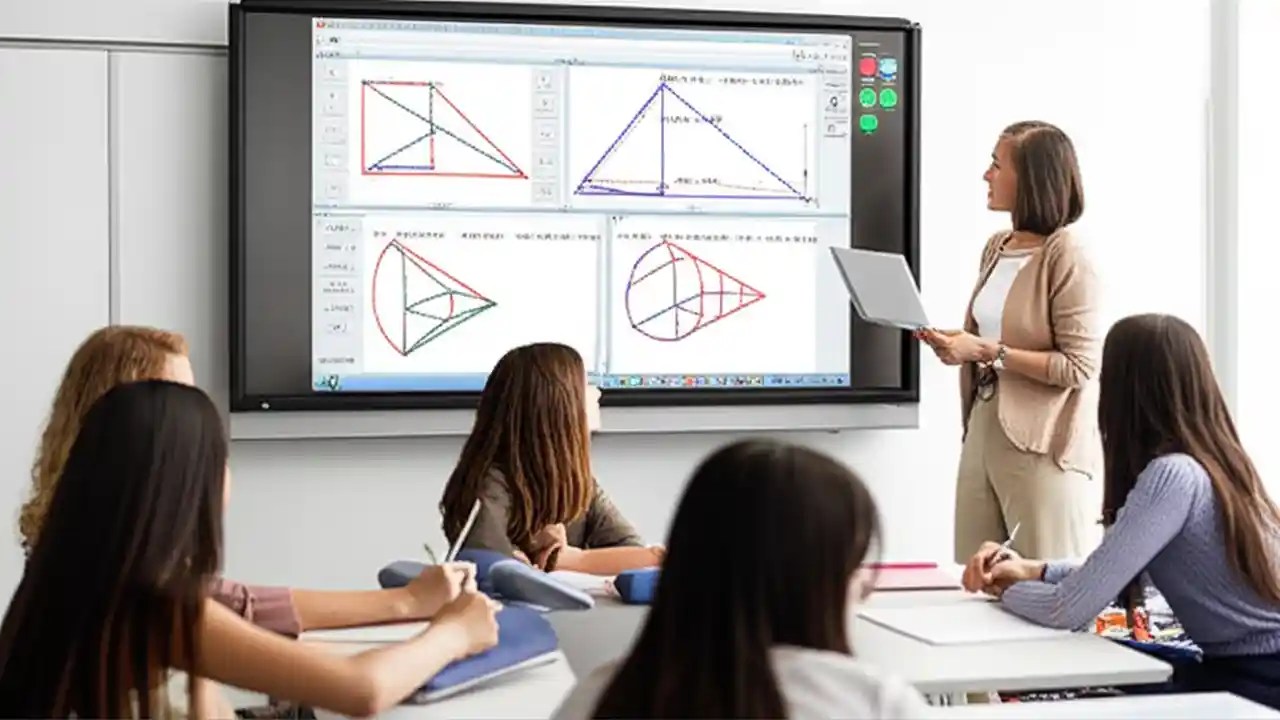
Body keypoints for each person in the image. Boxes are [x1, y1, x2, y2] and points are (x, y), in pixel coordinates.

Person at [0, 380, 499, 717]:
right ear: (186, 484)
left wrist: (409, 606)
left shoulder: (66, 583)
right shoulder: (162, 609)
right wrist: (455, 633)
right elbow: (361, 689)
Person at [19, 325, 459, 635]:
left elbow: (230, 601)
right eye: (179, 403)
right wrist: (421, 611)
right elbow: (359, 688)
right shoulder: (132, 585)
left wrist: (407, 601)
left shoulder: (81, 547)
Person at [962, 314, 1280, 710]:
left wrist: (1004, 591)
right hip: (1247, 666)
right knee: (1112, 661)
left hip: (1258, 679)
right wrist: (1034, 571)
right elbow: (1111, 573)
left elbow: (1067, 608)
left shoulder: (1173, 476)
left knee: (1089, 674)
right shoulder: (1220, 465)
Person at [551, 439, 929, 719]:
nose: (863, 588)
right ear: (819, 584)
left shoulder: (599, 698)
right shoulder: (874, 703)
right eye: (856, 567)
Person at [918, 120, 1102, 563]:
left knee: (1044, 579)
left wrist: (985, 351)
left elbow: (1079, 368)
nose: (987, 175)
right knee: (978, 573)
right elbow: (991, 335)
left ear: (1032, 179)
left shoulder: (1068, 256)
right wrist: (957, 344)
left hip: (1041, 444)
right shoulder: (997, 247)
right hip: (984, 425)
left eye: (997, 165)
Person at [440, 342, 662, 575]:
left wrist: (569, 559)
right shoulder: (488, 485)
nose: (596, 392)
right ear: (556, 404)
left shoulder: (577, 482)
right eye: (586, 384)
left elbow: (637, 555)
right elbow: (494, 571)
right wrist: (570, 561)